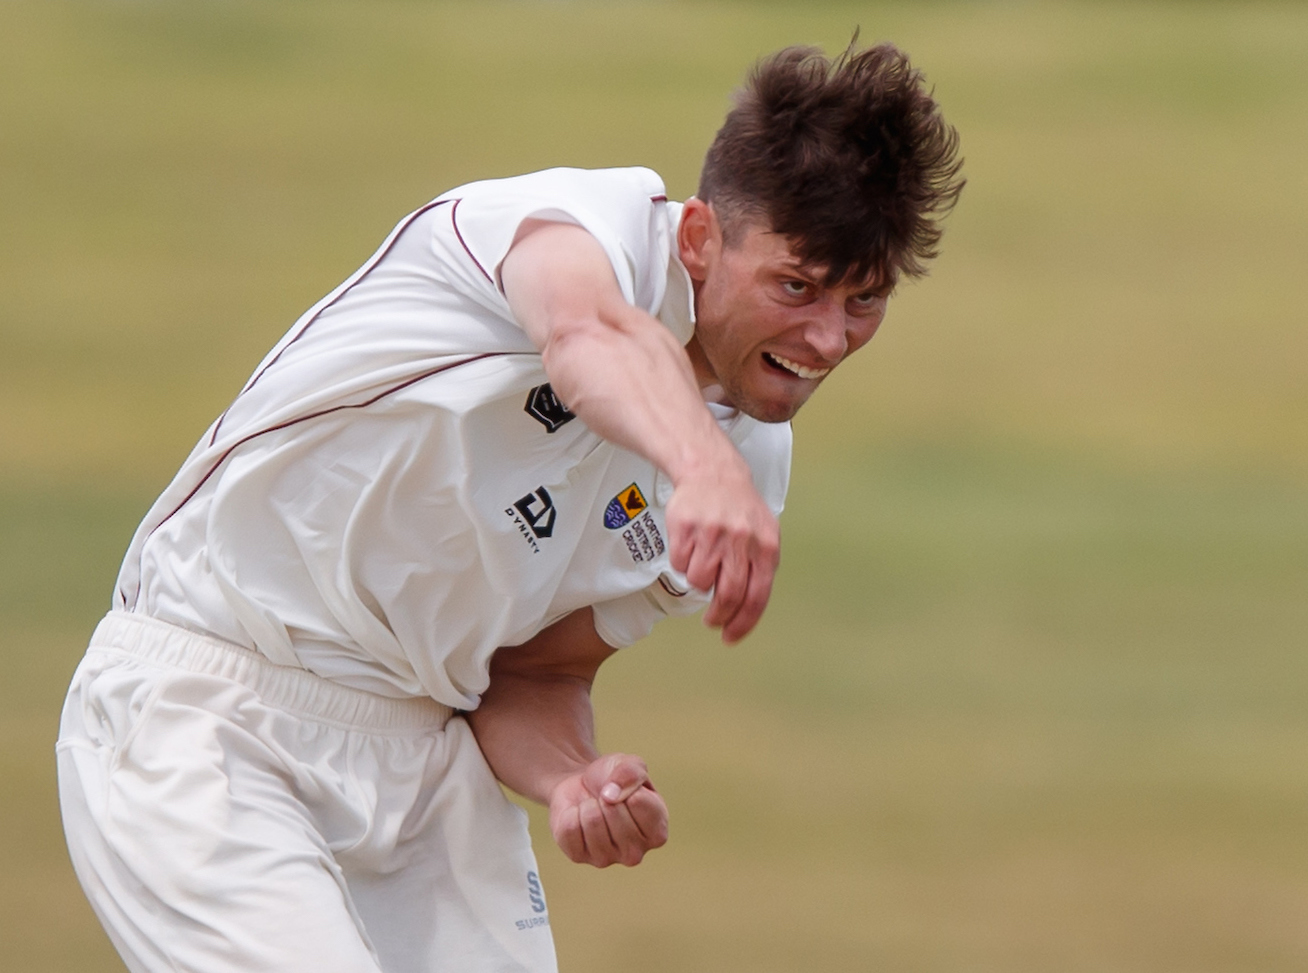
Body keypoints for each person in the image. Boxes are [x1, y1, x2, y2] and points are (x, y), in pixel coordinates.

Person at [56, 39, 962, 973]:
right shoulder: (573, 226)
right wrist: (701, 464)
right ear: (699, 237)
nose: (826, 337)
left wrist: (573, 779)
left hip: (423, 764)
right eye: (796, 285)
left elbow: (535, 675)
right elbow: (588, 333)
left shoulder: (753, 460)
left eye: (864, 300)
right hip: (207, 706)